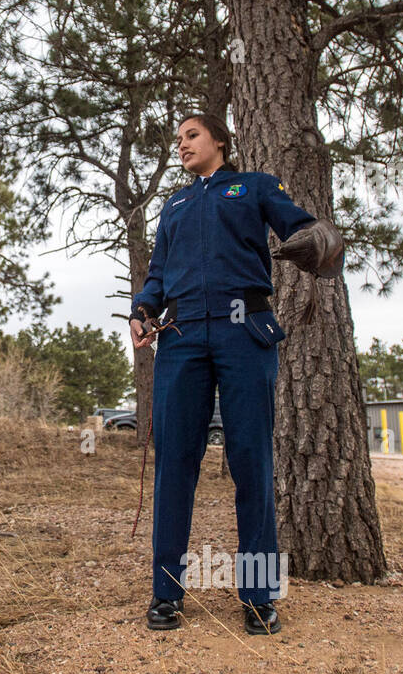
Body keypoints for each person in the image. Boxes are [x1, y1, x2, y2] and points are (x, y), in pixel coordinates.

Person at [128, 114, 343, 636]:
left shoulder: (255, 188)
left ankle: (259, 596)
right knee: (174, 465)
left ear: (219, 141)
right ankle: (166, 594)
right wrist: (141, 308)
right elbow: (158, 272)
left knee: (252, 462)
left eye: (191, 135)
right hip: (179, 338)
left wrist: (315, 240)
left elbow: (303, 227)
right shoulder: (174, 205)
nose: (181, 144)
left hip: (244, 333)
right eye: (177, 139)